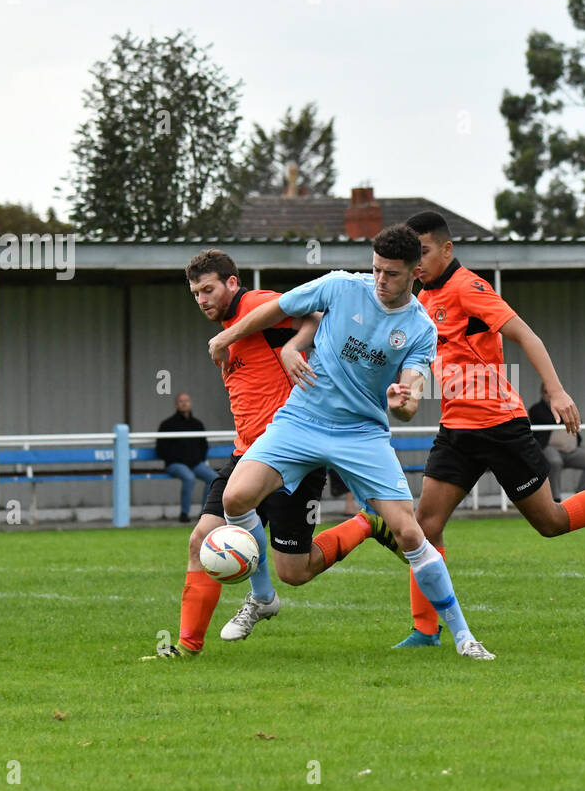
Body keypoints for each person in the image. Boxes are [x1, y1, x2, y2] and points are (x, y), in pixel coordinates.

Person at [392, 211, 585, 649]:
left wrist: (556, 391)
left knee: (551, 521)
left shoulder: (470, 289)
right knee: (425, 525)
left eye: (424, 252)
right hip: (456, 430)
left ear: (447, 250)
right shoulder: (422, 300)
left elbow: (527, 335)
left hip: (500, 425)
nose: (417, 263)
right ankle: (425, 630)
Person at [208, 224, 497, 659]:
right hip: (302, 419)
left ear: (416, 272)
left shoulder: (419, 328)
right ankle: (263, 597)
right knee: (235, 498)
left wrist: (403, 400)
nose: (380, 280)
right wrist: (226, 336)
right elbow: (281, 307)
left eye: (392, 274)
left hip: (361, 433)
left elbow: (410, 395)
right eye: (376, 269)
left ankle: (463, 636)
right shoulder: (342, 286)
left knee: (409, 533)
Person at [144, 249, 396, 660]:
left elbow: (313, 318)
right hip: (247, 454)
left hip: (292, 454)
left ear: (231, 282)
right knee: (200, 539)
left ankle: (365, 523)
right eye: (195, 293)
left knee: (294, 571)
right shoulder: (231, 325)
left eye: (208, 289)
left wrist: (292, 348)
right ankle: (188, 647)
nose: (202, 299)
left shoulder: (256, 304)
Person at [528, 383, 585, 502]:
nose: (549, 395)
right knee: (555, 462)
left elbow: (577, 419)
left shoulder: (566, 406)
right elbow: (550, 420)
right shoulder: (536, 409)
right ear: (542, 394)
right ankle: (555, 499)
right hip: (550, 448)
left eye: (551, 391)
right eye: (546, 392)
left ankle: (581, 496)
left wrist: (565, 410)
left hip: (571, 450)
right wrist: (562, 412)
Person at [158, 393, 220, 522]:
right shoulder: (167, 424)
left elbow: (204, 445)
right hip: (175, 464)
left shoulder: (197, 424)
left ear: (190, 403)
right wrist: (178, 459)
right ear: (176, 404)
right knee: (189, 477)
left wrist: (198, 459)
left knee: (214, 478)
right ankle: (184, 514)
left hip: (195, 464)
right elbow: (161, 449)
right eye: (181, 401)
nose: (184, 403)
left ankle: (205, 513)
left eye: (186, 401)